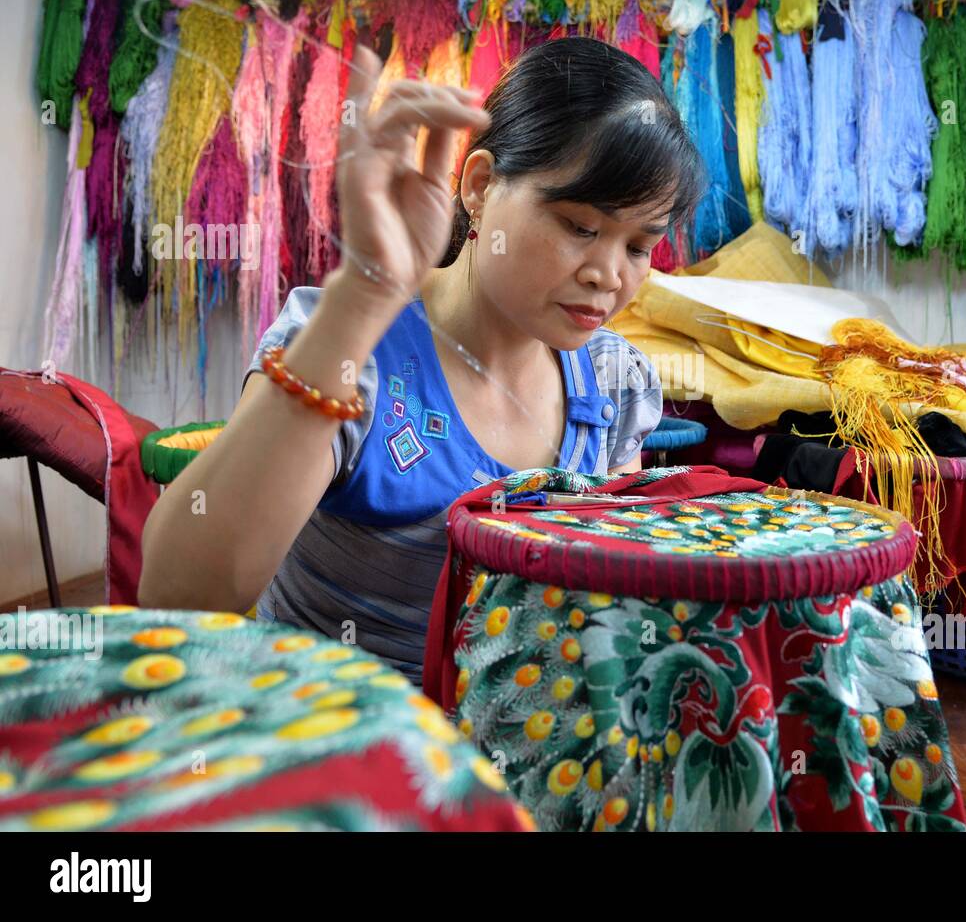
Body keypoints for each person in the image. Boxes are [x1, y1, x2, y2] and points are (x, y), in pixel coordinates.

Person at [138, 35, 708, 683]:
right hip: (345, 752)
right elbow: (177, 596)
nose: (608, 273)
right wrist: (361, 298)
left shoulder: (612, 382)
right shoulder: (353, 350)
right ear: (482, 186)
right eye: (581, 227)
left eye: (639, 246)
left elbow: (602, 604)